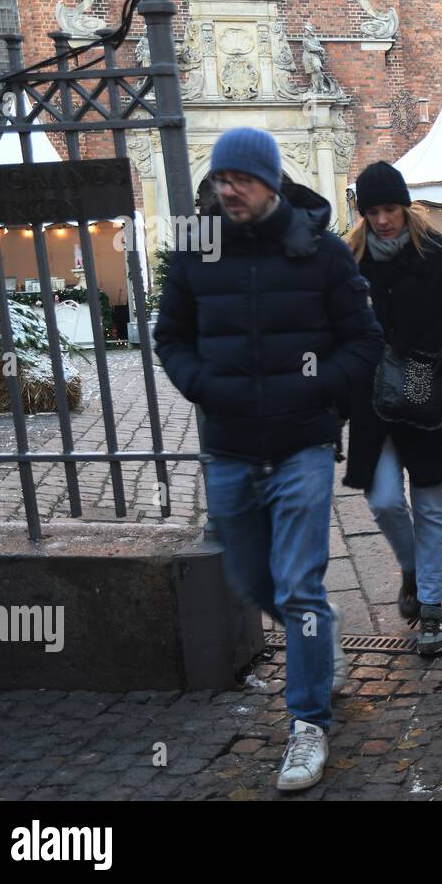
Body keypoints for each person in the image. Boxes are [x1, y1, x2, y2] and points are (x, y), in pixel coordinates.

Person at [154, 127, 383, 792]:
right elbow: (171, 336)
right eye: (221, 179)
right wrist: (205, 384)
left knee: (298, 587)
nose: (227, 190)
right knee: (255, 584)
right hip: (228, 446)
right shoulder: (197, 247)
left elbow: (365, 341)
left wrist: (318, 388)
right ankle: (324, 646)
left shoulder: (321, 250)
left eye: (241, 180)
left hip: (301, 447)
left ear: (271, 183)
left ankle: (307, 724)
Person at [342, 161, 442, 656]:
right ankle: (412, 568)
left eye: (389, 208)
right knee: (384, 499)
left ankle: (431, 607)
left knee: (431, 508)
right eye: (373, 211)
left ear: (405, 206)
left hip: (436, 400)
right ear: (362, 214)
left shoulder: (439, 255)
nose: (383, 219)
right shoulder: (351, 262)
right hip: (374, 404)